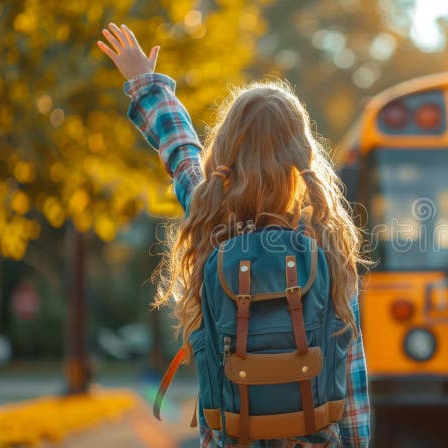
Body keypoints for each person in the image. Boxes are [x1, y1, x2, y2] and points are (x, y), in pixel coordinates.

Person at [97, 23, 370, 448]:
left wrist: (146, 85)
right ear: (301, 154)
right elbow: (352, 387)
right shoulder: (326, 242)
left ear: (224, 152)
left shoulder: (211, 221)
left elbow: (181, 149)